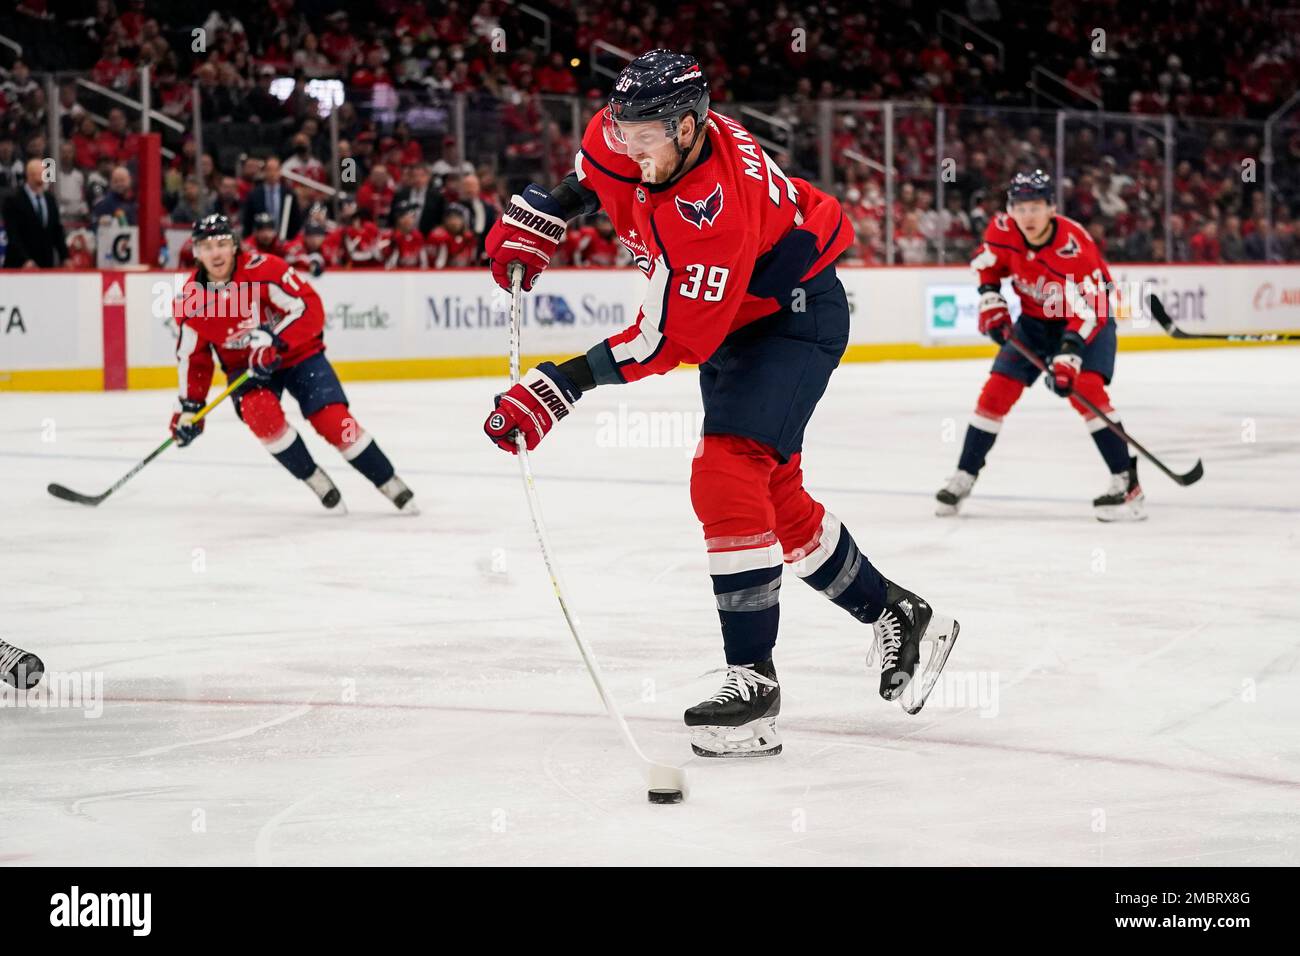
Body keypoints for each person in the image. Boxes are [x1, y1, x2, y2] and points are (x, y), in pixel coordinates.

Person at [480, 50, 960, 757]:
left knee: (726, 473)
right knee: (778, 503)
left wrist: (559, 386)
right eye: (624, 131)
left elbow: (666, 339)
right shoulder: (629, 135)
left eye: (648, 138)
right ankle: (898, 612)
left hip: (791, 318)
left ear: (688, 127)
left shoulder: (717, 212)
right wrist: (550, 209)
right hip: (742, 318)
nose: (630, 148)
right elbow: (592, 177)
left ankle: (753, 686)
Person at [170, 214, 417, 513]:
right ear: (196, 252)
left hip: (298, 353)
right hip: (246, 369)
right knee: (260, 414)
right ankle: (315, 479)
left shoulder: (265, 268)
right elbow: (193, 358)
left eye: (222, 243)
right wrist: (189, 408)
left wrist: (273, 341)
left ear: (235, 245)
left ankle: (387, 480)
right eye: (207, 246)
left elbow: (309, 307)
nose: (216, 253)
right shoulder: (190, 300)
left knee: (335, 422)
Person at [935, 170, 1144, 521]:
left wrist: (1070, 352)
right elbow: (986, 265)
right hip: (1034, 323)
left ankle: (1128, 486)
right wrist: (991, 299)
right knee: (994, 395)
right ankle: (964, 476)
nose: (1027, 216)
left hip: (1087, 319)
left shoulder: (1074, 246)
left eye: (1035, 207)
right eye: (1020, 207)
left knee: (1086, 391)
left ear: (1051, 207)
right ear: (1010, 209)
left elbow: (1092, 307)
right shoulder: (1002, 230)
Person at [2, 158, 68, 268]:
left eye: (41, 173)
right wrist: (25, 260)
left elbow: (57, 231)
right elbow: (13, 234)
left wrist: (65, 257)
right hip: (20, 265)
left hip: (45, 264)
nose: (38, 177)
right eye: (35, 174)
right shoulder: (13, 201)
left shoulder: (50, 200)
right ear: (28, 175)